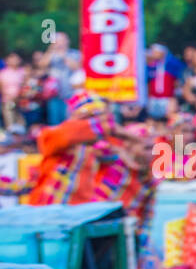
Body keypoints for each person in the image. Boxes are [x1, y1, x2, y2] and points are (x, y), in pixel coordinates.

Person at [26, 90, 157, 224]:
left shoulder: (98, 147)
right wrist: (130, 137)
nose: (93, 123)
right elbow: (101, 128)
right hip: (48, 211)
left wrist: (131, 149)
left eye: (98, 117)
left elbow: (118, 152)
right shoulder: (55, 135)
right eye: (88, 117)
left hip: (77, 217)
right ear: (74, 118)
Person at [1, 53, 27, 131]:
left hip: (21, 101)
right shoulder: (3, 73)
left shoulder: (23, 72)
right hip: (8, 101)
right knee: (10, 121)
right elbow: (1, 88)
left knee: (22, 122)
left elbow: (26, 85)